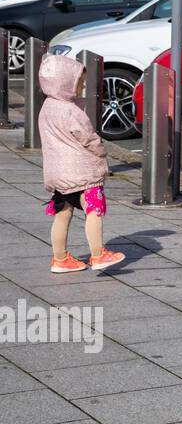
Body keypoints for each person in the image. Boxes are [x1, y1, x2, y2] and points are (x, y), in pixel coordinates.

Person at [38, 53, 124, 273]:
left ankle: (60, 259)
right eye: (79, 82)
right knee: (94, 210)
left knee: (62, 213)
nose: (82, 86)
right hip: (82, 173)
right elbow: (87, 137)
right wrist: (101, 151)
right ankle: (98, 255)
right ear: (65, 82)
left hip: (58, 174)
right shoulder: (70, 111)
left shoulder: (46, 107)